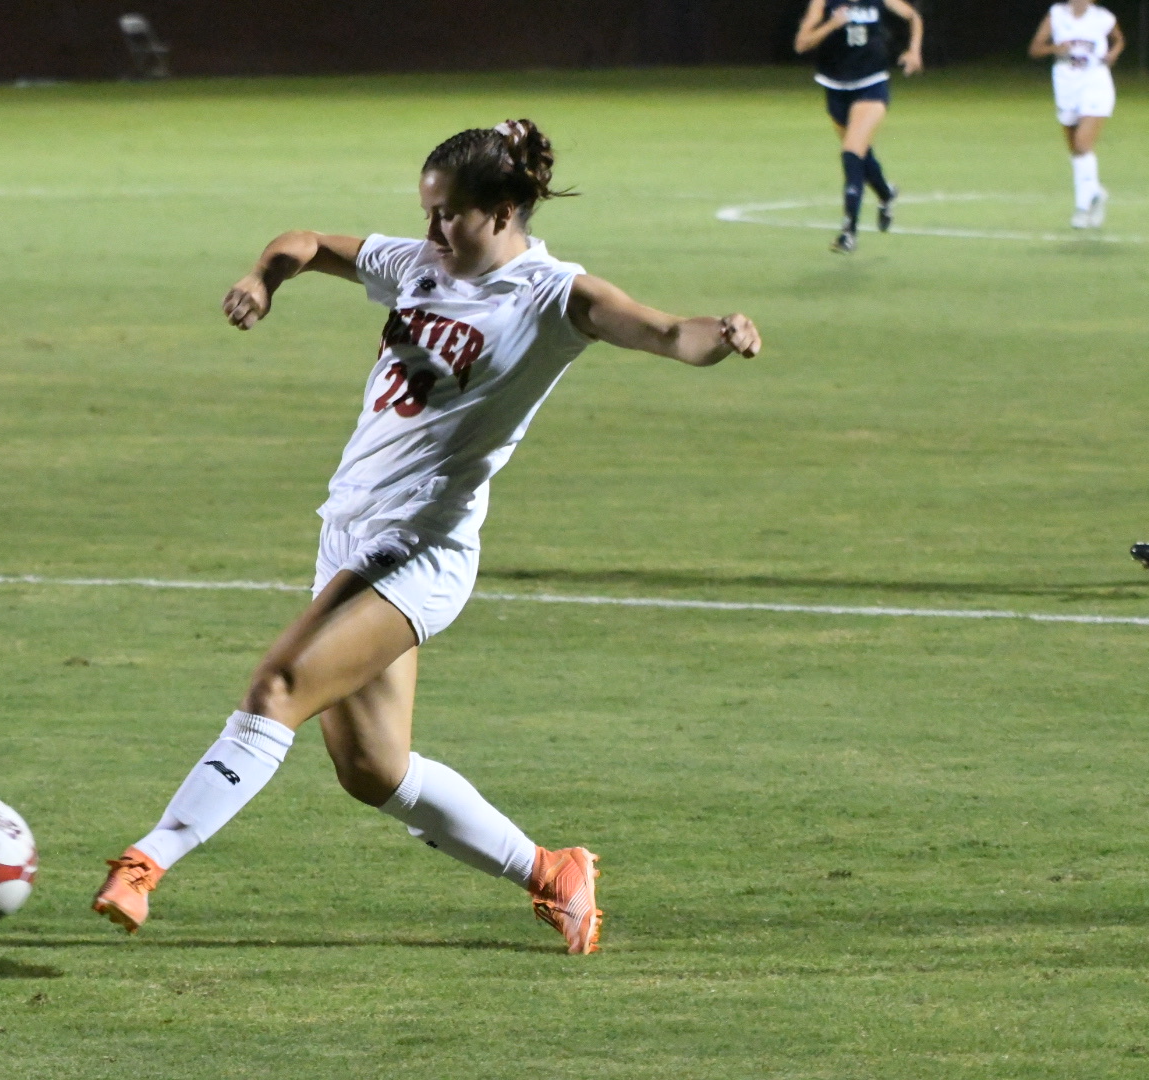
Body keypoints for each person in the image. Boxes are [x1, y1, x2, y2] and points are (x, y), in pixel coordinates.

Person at [90, 120, 762, 955]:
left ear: (503, 211)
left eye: (449, 215)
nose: (433, 231)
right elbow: (305, 243)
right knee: (372, 770)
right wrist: (263, 279)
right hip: (349, 533)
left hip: (419, 548)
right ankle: (554, 872)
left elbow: (668, 334)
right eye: (427, 212)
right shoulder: (415, 265)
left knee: (277, 687)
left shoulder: (554, 295)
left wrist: (722, 333)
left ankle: (146, 864)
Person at [794, 0, 925, 254]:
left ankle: (848, 232)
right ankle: (886, 193)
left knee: (851, 153)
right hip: (836, 89)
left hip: (871, 84)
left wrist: (914, 51)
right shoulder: (823, 3)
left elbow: (913, 17)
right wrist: (831, 25)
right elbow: (802, 44)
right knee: (861, 155)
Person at [1029, 2, 1124, 229]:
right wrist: (1055, 49)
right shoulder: (1056, 15)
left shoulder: (1102, 17)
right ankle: (1096, 193)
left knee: (1083, 144)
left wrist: (1113, 53)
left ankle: (1083, 207)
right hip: (1066, 85)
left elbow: (1119, 40)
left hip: (1095, 82)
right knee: (1076, 150)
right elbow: (1035, 49)